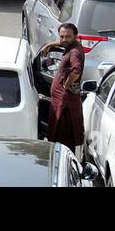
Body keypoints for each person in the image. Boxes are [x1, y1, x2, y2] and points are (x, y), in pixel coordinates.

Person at [42, 23, 85, 151]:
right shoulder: (70, 45)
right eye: (62, 36)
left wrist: (67, 84)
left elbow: (76, 71)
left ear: (75, 36)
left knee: (63, 136)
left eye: (68, 37)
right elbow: (63, 43)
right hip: (59, 100)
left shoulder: (75, 52)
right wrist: (50, 45)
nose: (64, 40)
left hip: (65, 103)